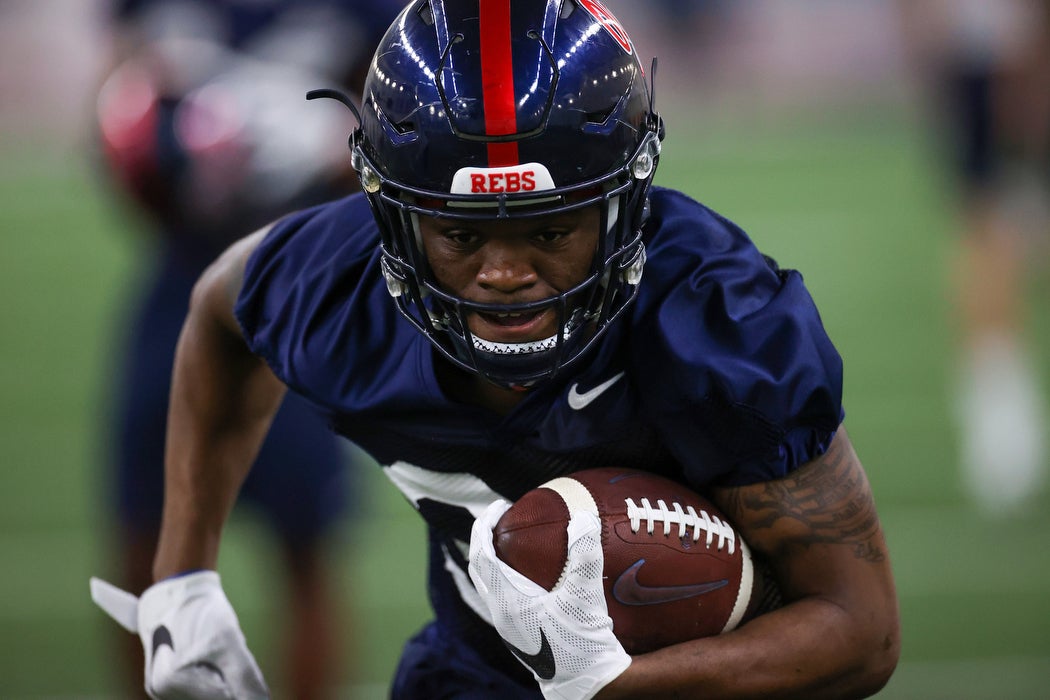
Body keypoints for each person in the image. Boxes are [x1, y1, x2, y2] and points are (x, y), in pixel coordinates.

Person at [90, 1, 901, 697]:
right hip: (471, 675)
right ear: (396, 221)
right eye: (460, 233)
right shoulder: (341, 285)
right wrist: (184, 579)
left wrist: (623, 687)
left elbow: (862, 631)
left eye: (550, 229)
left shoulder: (714, 321)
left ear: (625, 205)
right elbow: (217, 313)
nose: (506, 274)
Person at [93, 0, 401, 696]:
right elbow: (114, 112)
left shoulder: (363, 12)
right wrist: (151, 154)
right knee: (142, 535)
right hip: (180, 276)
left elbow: (398, 123)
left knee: (307, 546)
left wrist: (327, 146)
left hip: (301, 287)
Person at [897, 0, 1050, 515]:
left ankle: (1001, 428)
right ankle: (1001, 423)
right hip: (983, 52)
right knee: (984, 229)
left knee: (987, 229)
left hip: (999, 49)